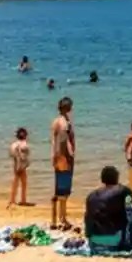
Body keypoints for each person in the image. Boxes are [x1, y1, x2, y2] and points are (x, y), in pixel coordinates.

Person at [84, 166, 132, 254]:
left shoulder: (91, 196)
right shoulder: (125, 192)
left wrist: (89, 237)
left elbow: (87, 219)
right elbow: (131, 217)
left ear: (102, 179)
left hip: (94, 242)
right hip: (114, 242)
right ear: (117, 178)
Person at [50, 96, 76, 229]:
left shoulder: (56, 121)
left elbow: (54, 141)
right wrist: (67, 156)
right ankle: (62, 219)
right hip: (64, 157)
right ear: (68, 108)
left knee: (59, 190)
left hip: (58, 157)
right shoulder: (64, 123)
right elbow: (63, 141)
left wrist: (54, 157)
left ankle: (55, 219)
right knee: (63, 191)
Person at [8, 127, 32, 207]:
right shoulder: (25, 145)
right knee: (24, 183)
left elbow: (11, 155)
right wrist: (25, 165)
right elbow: (25, 156)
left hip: (16, 164)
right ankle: (23, 200)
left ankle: (12, 200)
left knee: (15, 183)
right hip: (22, 166)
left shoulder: (13, 145)